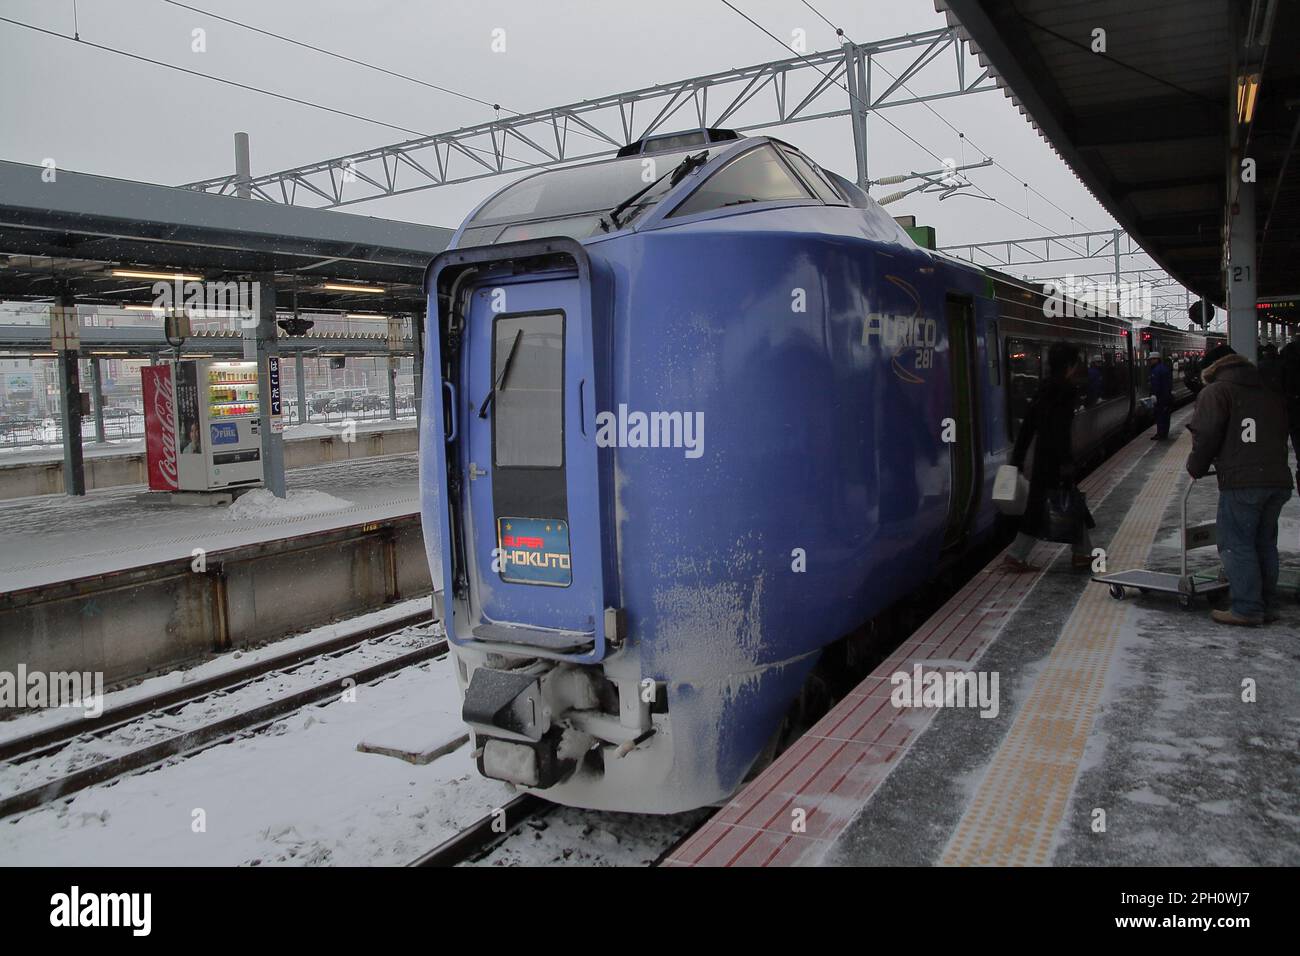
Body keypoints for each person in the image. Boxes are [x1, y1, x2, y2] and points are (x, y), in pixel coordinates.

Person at [1186, 343, 1293, 626]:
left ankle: (1247, 608)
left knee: (1236, 544)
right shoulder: (1269, 391)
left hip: (1243, 482)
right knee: (1264, 544)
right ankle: (1266, 604)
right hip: (1278, 480)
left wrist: (1195, 467)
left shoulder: (1216, 391)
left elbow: (1206, 434)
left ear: (1212, 370)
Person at [1004, 341, 1095, 573]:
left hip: (1041, 461)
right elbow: (1061, 432)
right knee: (1068, 504)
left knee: (1043, 507)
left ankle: (1081, 553)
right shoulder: (1065, 392)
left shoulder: (1043, 389)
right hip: (1055, 462)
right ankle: (1080, 554)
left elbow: (1028, 428)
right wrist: (1066, 463)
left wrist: (1018, 457)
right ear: (1070, 364)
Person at [1148, 352, 1173, 440]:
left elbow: (1157, 384)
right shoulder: (1163, 368)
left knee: (1161, 416)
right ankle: (1163, 433)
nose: (1150, 361)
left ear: (1156, 359)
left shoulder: (1157, 370)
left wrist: (1154, 395)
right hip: (1164, 397)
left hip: (1161, 398)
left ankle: (1161, 434)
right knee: (1164, 416)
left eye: (1151, 359)